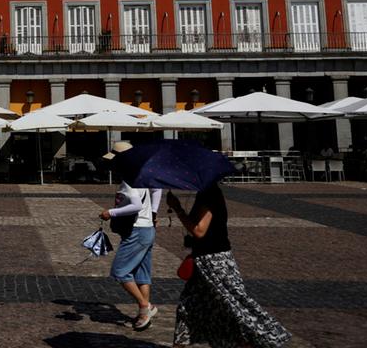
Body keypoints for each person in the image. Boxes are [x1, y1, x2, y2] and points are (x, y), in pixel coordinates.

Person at [167, 186, 291, 348]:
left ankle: (270, 334)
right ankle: (181, 343)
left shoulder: (209, 193)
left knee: (235, 303)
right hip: (203, 260)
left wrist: (178, 209)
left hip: (215, 260)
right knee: (188, 306)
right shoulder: (203, 192)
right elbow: (194, 225)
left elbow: (199, 231)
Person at [99, 142, 162, 331]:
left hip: (136, 230)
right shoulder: (141, 174)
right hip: (147, 228)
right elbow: (157, 189)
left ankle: (145, 306)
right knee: (142, 273)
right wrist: (153, 213)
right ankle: (144, 315)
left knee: (119, 271)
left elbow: (135, 205)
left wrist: (111, 212)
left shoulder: (128, 180)